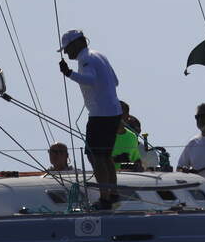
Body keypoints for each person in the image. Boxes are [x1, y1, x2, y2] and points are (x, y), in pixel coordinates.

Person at [58, 29, 121, 209]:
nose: (66, 52)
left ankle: (105, 198)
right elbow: (115, 81)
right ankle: (113, 193)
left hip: (100, 115)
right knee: (105, 155)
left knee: (95, 155)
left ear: (77, 43)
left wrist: (68, 73)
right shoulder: (99, 55)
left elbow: (90, 79)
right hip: (113, 112)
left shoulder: (85, 59)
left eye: (67, 48)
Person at [112, 100, 144, 169]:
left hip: (128, 177)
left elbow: (136, 159)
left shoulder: (132, 136)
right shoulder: (103, 136)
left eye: (122, 114)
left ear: (127, 117)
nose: (118, 117)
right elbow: (97, 160)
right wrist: (116, 159)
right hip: (108, 176)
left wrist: (139, 166)